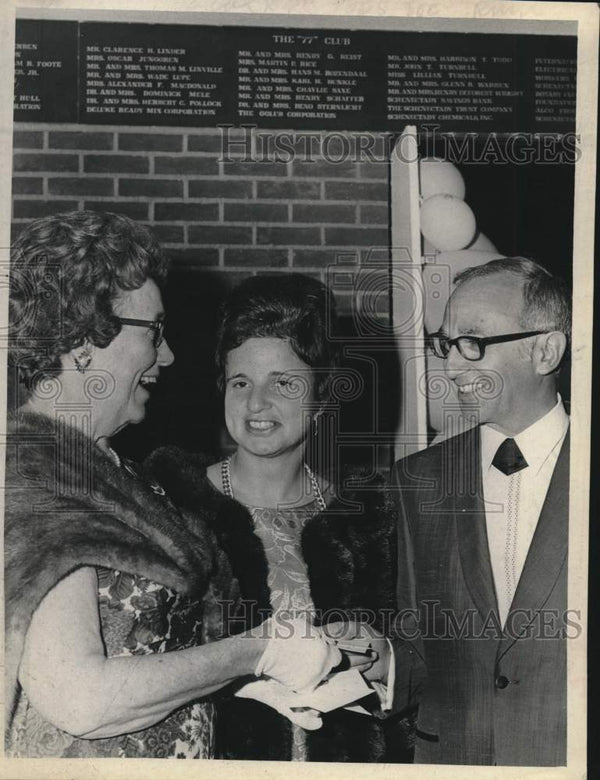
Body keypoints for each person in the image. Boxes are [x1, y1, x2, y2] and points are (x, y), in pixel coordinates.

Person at [4, 211, 343, 758]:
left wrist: (253, 683)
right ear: (86, 338)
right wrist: (259, 651)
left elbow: (150, 652)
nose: (168, 355)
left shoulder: (100, 468)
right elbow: (77, 696)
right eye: (155, 332)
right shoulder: (35, 475)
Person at [148, 273, 417, 762]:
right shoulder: (171, 506)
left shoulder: (368, 522)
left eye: (284, 382)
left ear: (321, 397)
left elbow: (412, 683)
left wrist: (382, 659)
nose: (256, 404)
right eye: (241, 382)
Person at [392, 256, 571, 765]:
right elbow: (415, 649)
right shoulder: (415, 481)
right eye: (447, 344)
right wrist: (375, 662)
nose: (451, 367)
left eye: (474, 343)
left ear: (546, 350)